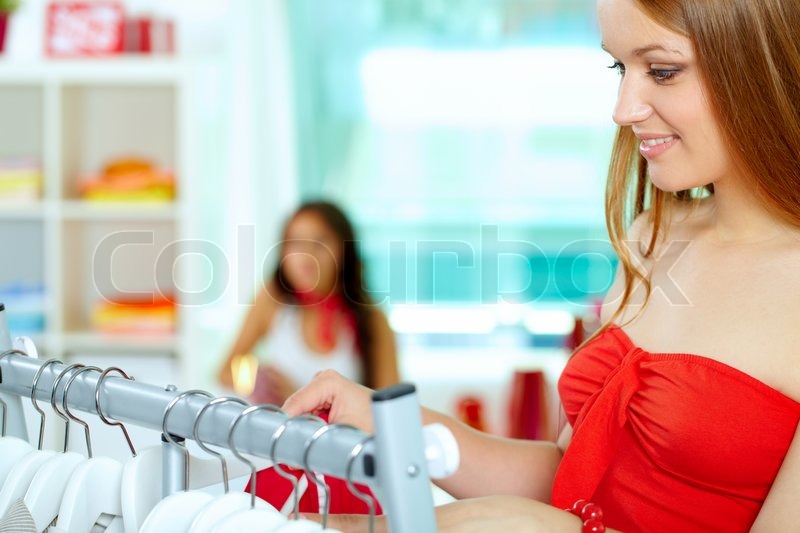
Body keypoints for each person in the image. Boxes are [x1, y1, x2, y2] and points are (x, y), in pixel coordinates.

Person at [282, 0, 800, 530]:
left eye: (662, 72)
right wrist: (390, 423)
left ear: (758, 64)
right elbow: (570, 478)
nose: (623, 109)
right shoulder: (652, 237)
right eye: (620, 68)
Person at [218, 200, 399, 405]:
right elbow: (225, 371)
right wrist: (255, 379)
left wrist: (302, 398)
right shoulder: (272, 300)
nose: (306, 255)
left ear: (345, 250)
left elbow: (390, 409)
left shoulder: (373, 320)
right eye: (295, 242)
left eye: (320, 242)